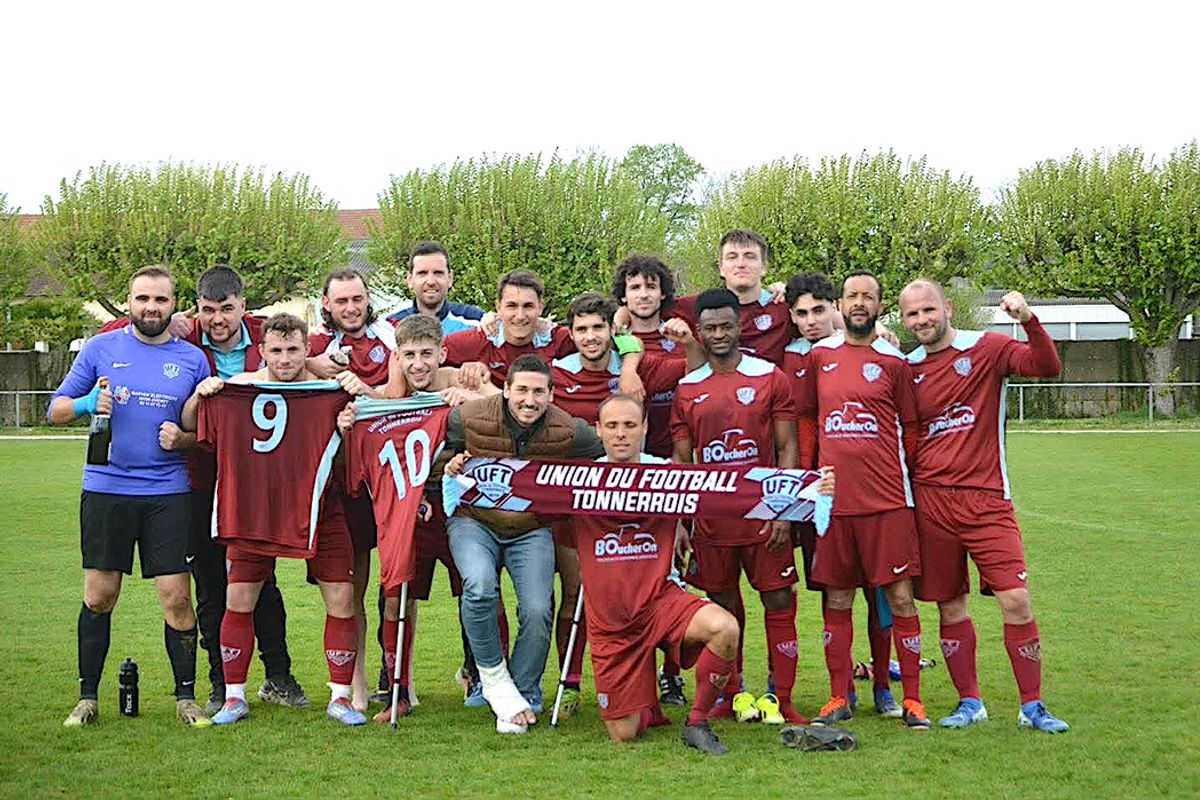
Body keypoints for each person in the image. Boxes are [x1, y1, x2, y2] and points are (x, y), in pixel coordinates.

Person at [181, 312, 372, 726]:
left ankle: (339, 698)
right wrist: (201, 394)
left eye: (293, 350)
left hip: (321, 507)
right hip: (254, 509)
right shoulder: (237, 390)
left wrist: (356, 407)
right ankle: (235, 696)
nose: (285, 359)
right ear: (262, 351)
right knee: (238, 599)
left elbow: (370, 433)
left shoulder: (330, 391)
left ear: (308, 350)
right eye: (277, 350)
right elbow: (191, 425)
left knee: (341, 599)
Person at [899, 280, 1069, 733]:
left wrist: (1029, 320)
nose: (922, 321)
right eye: (912, 314)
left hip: (987, 499)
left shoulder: (989, 349)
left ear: (948, 308)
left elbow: (1046, 366)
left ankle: (1032, 706)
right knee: (950, 606)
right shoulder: (904, 368)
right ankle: (969, 701)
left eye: (928, 310)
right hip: (930, 503)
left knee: (1016, 601)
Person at [49, 265, 213, 728]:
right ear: (129, 301)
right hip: (107, 489)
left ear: (173, 304)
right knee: (100, 596)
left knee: (177, 598)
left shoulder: (192, 359)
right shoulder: (101, 348)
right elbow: (56, 408)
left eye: (161, 300)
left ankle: (186, 698)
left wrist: (181, 437)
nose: (151, 308)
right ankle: (87, 699)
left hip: (169, 492)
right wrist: (85, 405)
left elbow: (204, 427)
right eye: (143, 299)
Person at [338, 313, 498, 723]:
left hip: (462, 509)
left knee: (480, 591)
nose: (419, 364)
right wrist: (348, 423)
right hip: (407, 510)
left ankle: (491, 681)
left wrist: (475, 397)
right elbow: (361, 425)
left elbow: (505, 410)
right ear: (397, 356)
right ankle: (399, 687)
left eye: (427, 354)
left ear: (442, 353)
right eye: (409, 355)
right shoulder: (387, 399)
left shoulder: (457, 385)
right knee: (396, 596)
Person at [442, 355, 606, 733]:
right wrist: (449, 464)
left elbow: (611, 458)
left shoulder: (569, 430)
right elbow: (435, 458)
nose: (529, 400)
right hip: (474, 521)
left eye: (538, 392)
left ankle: (525, 688)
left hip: (532, 527)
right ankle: (495, 683)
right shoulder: (467, 416)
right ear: (505, 389)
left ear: (551, 394)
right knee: (480, 587)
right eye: (522, 390)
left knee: (536, 608)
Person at [795, 271, 930, 730]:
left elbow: (910, 429)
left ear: (879, 305)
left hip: (888, 502)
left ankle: (910, 699)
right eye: (851, 296)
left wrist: (892, 474)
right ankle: (838, 696)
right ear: (840, 303)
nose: (858, 303)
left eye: (867, 297)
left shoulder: (894, 362)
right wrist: (813, 475)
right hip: (834, 503)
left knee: (899, 597)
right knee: (837, 597)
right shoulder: (819, 357)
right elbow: (809, 419)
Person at [577, 394, 748, 754]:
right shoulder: (574, 481)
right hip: (612, 619)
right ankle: (646, 702)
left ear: (644, 428)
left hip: (661, 600)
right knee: (624, 733)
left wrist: (814, 489)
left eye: (628, 425)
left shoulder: (668, 475)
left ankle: (698, 721)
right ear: (598, 431)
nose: (621, 434)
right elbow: (515, 488)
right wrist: (458, 475)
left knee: (725, 627)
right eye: (612, 426)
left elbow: (736, 488)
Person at [547, 292, 691, 720]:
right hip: (581, 506)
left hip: (641, 506)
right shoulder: (557, 375)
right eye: (581, 329)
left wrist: (680, 343)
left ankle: (664, 679)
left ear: (614, 330)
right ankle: (570, 682)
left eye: (598, 328)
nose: (590, 337)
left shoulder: (638, 365)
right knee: (575, 595)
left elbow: (695, 368)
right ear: (570, 334)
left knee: (649, 594)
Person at [670, 288, 806, 726]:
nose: (719, 334)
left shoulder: (769, 377)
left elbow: (788, 447)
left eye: (726, 325)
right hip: (713, 521)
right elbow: (682, 463)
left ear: (740, 325)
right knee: (723, 606)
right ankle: (733, 693)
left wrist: (783, 509)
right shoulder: (687, 388)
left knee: (779, 599)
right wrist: (681, 522)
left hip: (765, 517)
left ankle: (781, 698)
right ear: (699, 333)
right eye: (709, 328)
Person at [306, 267, 393, 709]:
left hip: (391, 479)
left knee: (400, 586)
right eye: (341, 301)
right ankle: (355, 684)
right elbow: (274, 367)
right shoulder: (314, 348)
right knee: (351, 586)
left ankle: (400, 681)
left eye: (357, 299)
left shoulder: (391, 339)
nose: (351, 308)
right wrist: (307, 364)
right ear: (326, 304)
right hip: (341, 486)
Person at [667, 230, 794, 366]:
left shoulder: (785, 305)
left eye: (749, 256)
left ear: (764, 267)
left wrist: (792, 290)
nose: (740, 264)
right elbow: (645, 313)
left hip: (773, 385)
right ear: (721, 268)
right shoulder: (699, 305)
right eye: (732, 257)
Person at [442, 269, 575, 387]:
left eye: (528, 306)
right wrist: (457, 376)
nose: (520, 316)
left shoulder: (558, 338)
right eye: (512, 306)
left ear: (540, 307)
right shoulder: (476, 341)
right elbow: (426, 364)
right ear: (498, 307)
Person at [385, 240, 485, 333]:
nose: (431, 281)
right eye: (422, 273)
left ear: (450, 278)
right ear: (410, 280)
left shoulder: (476, 321)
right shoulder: (391, 327)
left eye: (438, 273)